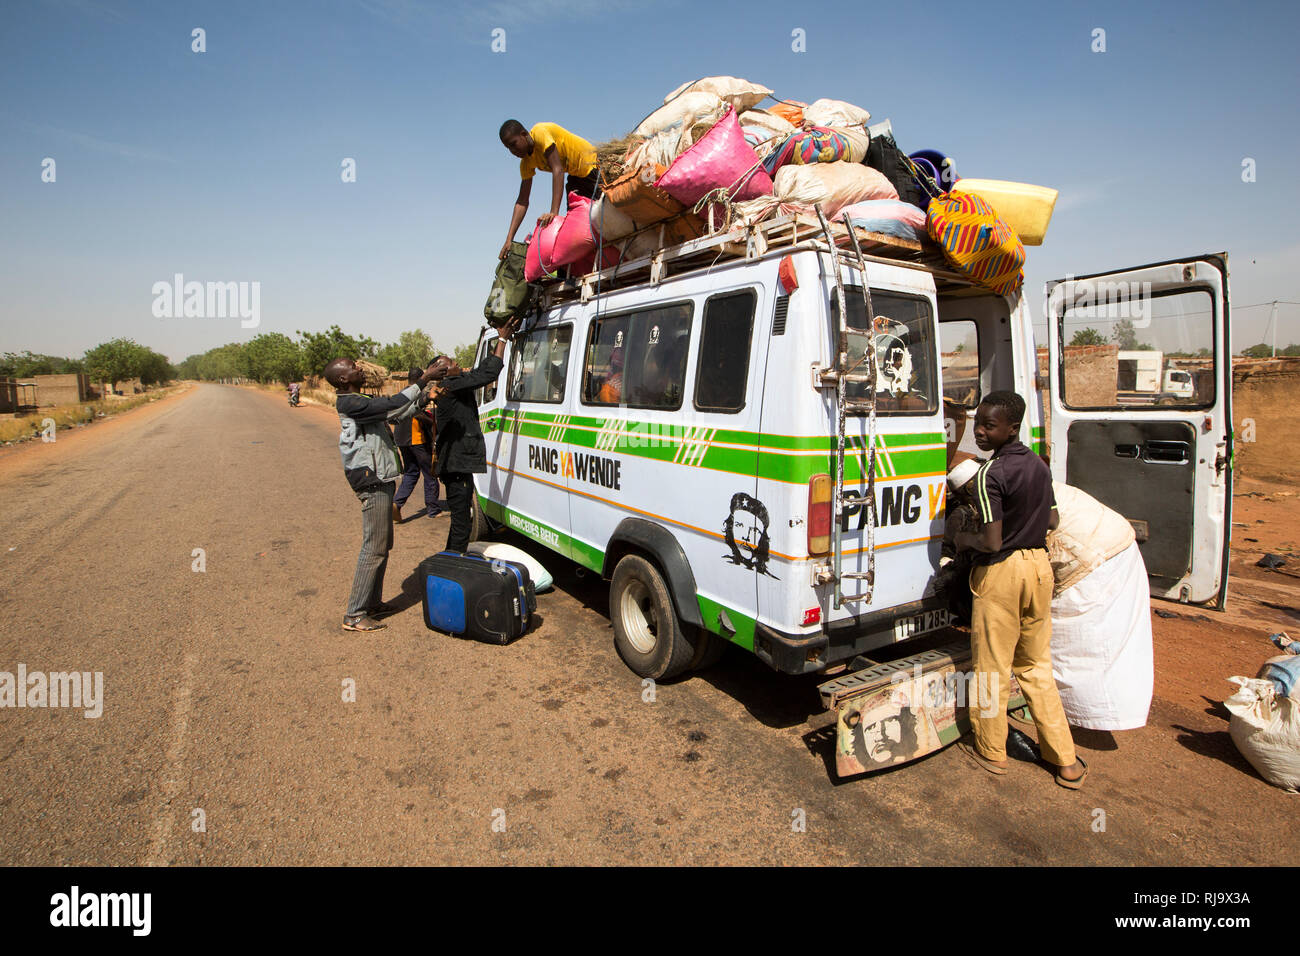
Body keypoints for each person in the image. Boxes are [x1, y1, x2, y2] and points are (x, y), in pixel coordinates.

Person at [951, 390, 1087, 789]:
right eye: (977, 423)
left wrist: (963, 539)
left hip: (1003, 574)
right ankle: (1065, 760)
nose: (978, 431)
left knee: (992, 668)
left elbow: (991, 542)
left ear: (1012, 427)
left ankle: (992, 752)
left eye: (988, 425)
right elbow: (1053, 520)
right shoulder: (1039, 467)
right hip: (1039, 569)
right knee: (1036, 666)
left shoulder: (991, 475)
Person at [325, 356, 442, 632]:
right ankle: (355, 614)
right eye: (353, 367)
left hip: (380, 477)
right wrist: (424, 379)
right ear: (343, 379)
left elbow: (396, 414)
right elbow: (389, 405)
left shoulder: (360, 401)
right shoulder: (351, 402)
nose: (359, 368)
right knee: (374, 547)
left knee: (383, 545)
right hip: (372, 479)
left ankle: (372, 602)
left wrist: (423, 398)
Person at [1045, 481, 1154, 730]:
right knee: (1113, 640)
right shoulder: (1034, 479)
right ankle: (1104, 711)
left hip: (1092, 562)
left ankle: (1085, 713)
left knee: (1079, 645)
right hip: (1115, 546)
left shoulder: (1004, 493)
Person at [428, 318, 519, 553]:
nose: (458, 363)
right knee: (461, 525)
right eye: (452, 362)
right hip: (456, 467)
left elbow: (480, 372)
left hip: (454, 465)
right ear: (443, 371)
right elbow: (486, 373)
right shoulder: (451, 385)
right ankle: (454, 566)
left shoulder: (450, 386)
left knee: (459, 520)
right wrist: (502, 339)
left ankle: (450, 561)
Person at [498, 119, 599, 261]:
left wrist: (553, 214)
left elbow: (557, 169)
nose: (512, 151)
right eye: (508, 148)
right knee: (575, 224)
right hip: (576, 176)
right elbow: (522, 201)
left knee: (601, 216)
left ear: (523, 134)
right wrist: (509, 239)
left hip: (592, 165)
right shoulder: (526, 163)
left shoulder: (539, 132)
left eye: (513, 144)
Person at [392, 367, 441, 523]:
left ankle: (397, 503)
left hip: (401, 439)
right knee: (430, 473)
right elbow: (417, 415)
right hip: (416, 439)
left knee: (411, 472)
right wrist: (432, 421)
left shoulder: (401, 394)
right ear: (422, 378)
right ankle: (433, 509)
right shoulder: (416, 394)